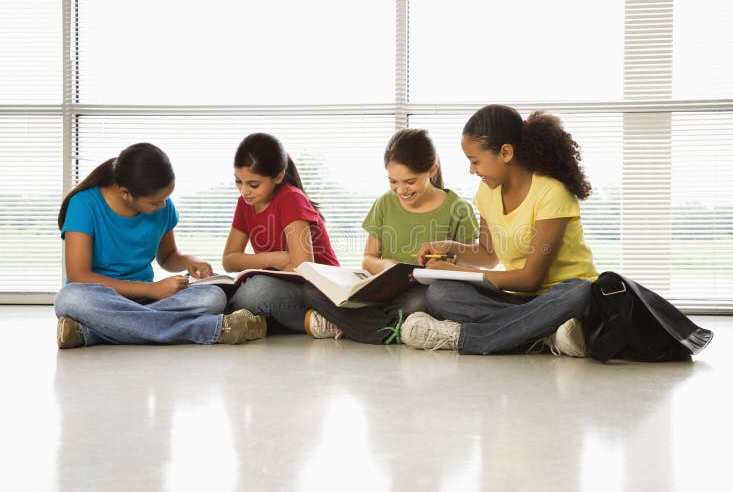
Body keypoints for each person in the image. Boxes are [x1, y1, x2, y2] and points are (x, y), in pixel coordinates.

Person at [401, 105, 599, 356]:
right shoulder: (487, 192)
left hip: (562, 299)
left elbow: (530, 279)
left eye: (475, 161)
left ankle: (465, 337)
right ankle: (546, 334)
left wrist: (455, 271)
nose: (472, 170)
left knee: (580, 291)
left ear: (505, 152)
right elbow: (487, 254)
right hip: (523, 303)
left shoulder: (552, 192)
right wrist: (448, 247)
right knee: (441, 293)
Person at [54, 143, 265, 348]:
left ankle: (90, 332)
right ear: (126, 193)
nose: (163, 205)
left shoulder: (162, 207)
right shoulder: (83, 204)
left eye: (166, 198)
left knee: (213, 298)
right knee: (70, 298)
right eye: (155, 202)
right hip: (101, 299)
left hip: (146, 301)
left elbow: (168, 256)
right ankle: (212, 329)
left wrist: (189, 261)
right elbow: (78, 276)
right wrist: (152, 289)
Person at [302, 128, 479, 344]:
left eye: (410, 182)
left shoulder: (457, 208)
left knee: (422, 300)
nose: (401, 190)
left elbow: (472, 264)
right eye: (393, 181)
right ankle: (392, 328)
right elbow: (368, 259)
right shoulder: (384, 203)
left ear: (432, 170)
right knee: (311, 290)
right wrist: (386, 266)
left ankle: (358, 326)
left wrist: (448, 265)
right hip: (381, 290)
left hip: (421, 291)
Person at [223, 133, 339, 335]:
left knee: (254, 293)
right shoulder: (245, 203)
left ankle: (329, 320)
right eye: (238, 181)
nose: (244, 191)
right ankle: (303, 322)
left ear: (278, 177)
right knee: (224, 297)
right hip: (285, 285)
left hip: (319, 289)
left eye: (253, 184)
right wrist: (275, 259)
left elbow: (302, 267)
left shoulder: (291, 199)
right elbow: (229, 260)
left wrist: (259, 264)